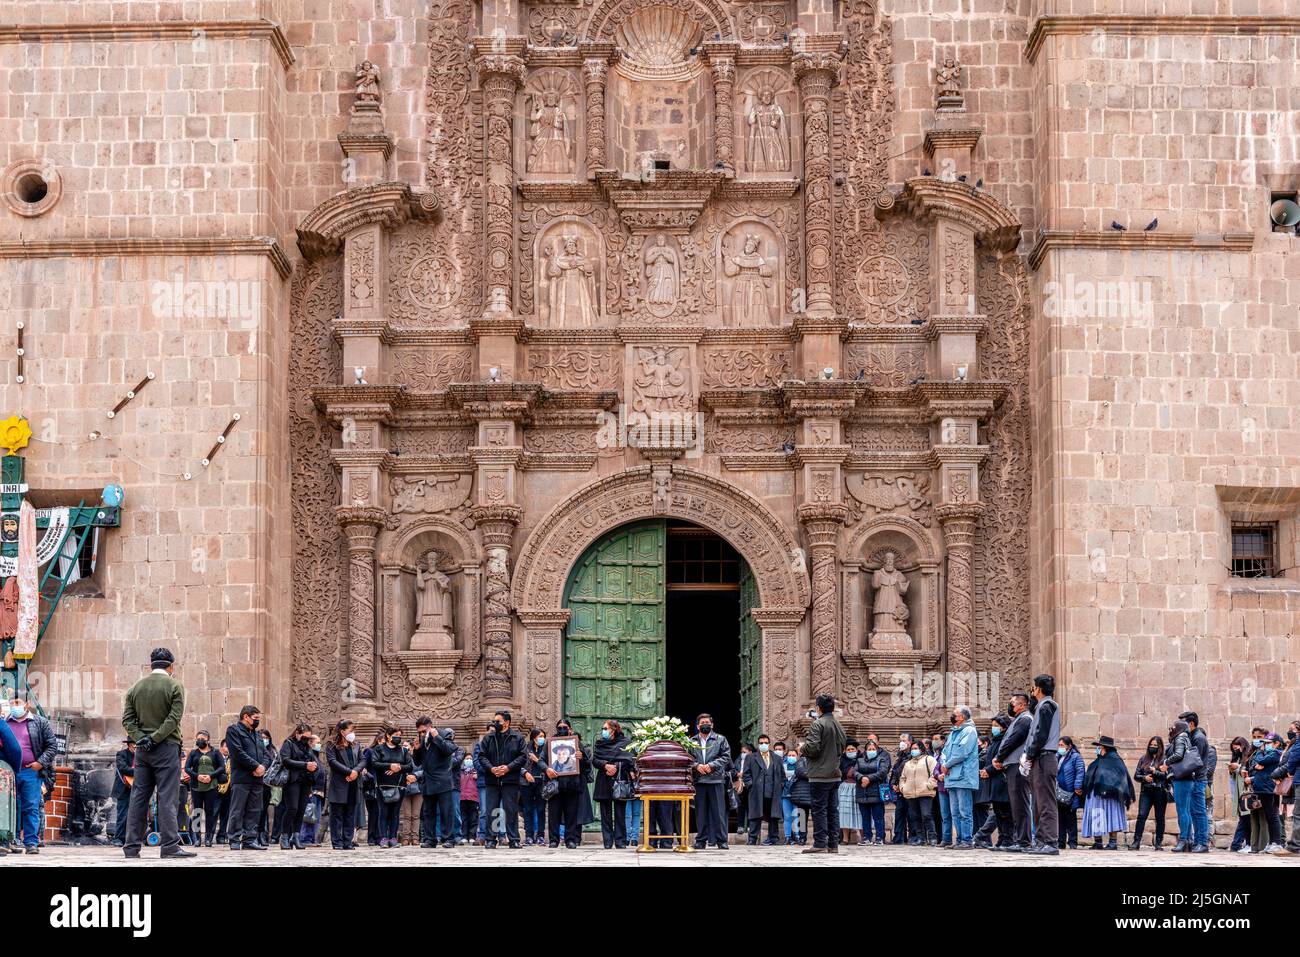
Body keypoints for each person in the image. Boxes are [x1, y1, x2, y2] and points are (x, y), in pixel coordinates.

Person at [120, 647, 192, 859]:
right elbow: (173, 718)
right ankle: (169, 846)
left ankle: (131, 846)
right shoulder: (175, 685)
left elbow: (127, 720)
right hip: (166, 747)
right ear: (171, 666)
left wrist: (142, 738)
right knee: (167, 797)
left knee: (139, 798)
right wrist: (155, 738)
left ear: (151, 665)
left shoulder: (136, 687)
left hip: (142, 750)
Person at [800, 694, 846, 854]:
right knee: (833, 810)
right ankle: (833, 844)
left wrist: (802, 749)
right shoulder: (838, 725)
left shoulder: (818, 724)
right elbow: (842, 749)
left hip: (819, 774)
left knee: (819, 809)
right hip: (835, 773)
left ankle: (819, 843)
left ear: (818, 708)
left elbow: (812, 748)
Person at [1022, 674, 1061, 854]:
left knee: (1046, 802)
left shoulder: (1047, 706)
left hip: (1045, 757)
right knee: (1037, 802)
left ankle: (1050, 841)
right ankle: (1040, 840)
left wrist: (1029, 754)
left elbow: (1040, 734)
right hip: (1040, 758)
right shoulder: (1040, 706)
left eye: (1034, 687)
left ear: (1038, 688)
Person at [478, 710, 526, 849]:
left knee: (511, 810)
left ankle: (513, 839)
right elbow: (482, 756)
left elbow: (523, 757)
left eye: (497, 721)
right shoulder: (489, 738)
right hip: (492, 779)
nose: (495, 723)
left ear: (506, 722)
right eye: (494, 721)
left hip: (510, 779)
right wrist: (492, 768)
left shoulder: (517, 738)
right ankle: (491, 839)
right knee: (492, 810)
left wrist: (508, 768)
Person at [991, 692, 1032, 852]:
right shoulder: (1019, 720)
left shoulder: (1025, 719)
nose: (1010, 705)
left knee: (1020, 805)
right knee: (1016, 805)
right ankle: (1019, 839)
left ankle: (1023, 841)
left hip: (1017, 765)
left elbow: (1013, 740)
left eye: (1012, 703)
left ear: (1021, 705)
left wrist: (999, 757)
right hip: (1012, 765)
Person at [224, 705, 268, 850]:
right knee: (238, 809)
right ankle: (234, 838)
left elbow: (266, 754)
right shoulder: (233, 731)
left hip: (257, 779)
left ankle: (249, 839)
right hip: (242, 777)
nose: (257, 721)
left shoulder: (257, 734)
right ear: (246, 717)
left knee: (254, 810)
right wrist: (255, 766)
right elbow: (237, 752)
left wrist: (263, 767)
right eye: (255, 718)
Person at [1079, 736, 1134, 850]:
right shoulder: (1097, 761)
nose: (1097, 749)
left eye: (1099, 747)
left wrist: (1110, 789)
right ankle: (1098, 842)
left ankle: (1112, 842)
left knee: (1112, 815)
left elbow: (1120, 777)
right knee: (1096, 816)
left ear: (1104, 748)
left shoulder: (1115, 760)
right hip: (1096, 796)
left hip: (1111, 796)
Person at [687, 713, 732, 850]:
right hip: (699, 780)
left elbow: (726, 757)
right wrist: (696, 766)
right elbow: (687, 758)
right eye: (702, 722)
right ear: (697, 726)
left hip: (716, 780)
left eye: (707, 722)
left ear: (712, 725)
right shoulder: (691, 741)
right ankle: (701, 840)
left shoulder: (720, 739)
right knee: (700, 812)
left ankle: (721, 840)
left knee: (718, 812)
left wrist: (711, 765)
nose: (704, 724)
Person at [545, 719, 592, 848]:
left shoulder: (577, 743)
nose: (562, 729)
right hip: (555, 785)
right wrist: (546, 769)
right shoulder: (550, 743)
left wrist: (581, 757)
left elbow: (587, 763)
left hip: (572, 785)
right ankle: (553, 840)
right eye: (559, 727)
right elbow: (542, 760)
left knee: (571, 814)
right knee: (554, 814)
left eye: (564, 727)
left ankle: (570, 840)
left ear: (570, 728)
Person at [368, 722, 415, 848]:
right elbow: (374, 763)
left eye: (400, 735)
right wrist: (389, 766)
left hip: (399, 785)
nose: (398, 737)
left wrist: (398, 767)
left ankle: (393, 838)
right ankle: (383, 838)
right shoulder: (379, 749)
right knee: (383, 812)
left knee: (395, 813)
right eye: (395, 735)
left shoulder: (404, 751)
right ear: (388, 736)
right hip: (382, 786)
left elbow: (410, 766)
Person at [413, 718, 458, 849]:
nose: (421, 734)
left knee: (446, 812)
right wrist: (416, 750)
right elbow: (417, 762)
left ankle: (448, 838)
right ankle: (430, 839)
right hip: (427, 780)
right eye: (419, 732)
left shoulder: (444, 734)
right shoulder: (422, 739)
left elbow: (449, 750)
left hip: (443, 780)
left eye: (423, 731)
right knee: (428, 812)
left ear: (430, 726)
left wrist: (437, 737)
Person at [271, 722, 317, 849]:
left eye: (309, 738)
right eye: (304, 737)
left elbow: (312, 758)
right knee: (292, 808)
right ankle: (284, 836)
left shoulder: (306, 746)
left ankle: (295, 837)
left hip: (305, 781)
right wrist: (305, 765)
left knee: (301, 809)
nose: (306, 740)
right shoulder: (289, 743)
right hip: (292, 781)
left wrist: (314, 765)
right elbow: (285, 760)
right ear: (297, 733)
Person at [940, 706, 978, 849]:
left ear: (962, 717)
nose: (952, 716)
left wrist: (947, 764)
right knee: (954, 812)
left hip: (963, 776)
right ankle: (959, 839)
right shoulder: (952, 733)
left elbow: (962, 752)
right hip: (951, 777)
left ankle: (967, 840)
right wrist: (944, 763)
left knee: (964, 810)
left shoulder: (969, 731)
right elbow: (944, 751)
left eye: (954, 714)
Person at [593, 719, 634, 849]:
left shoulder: (625, 743)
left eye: (605, 729)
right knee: (605, 813)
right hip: (604, 779)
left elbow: (630, 760)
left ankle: (620, 841)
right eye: (603, 729)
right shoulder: (600, 744)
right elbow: (594, 760)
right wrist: (605, 765)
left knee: (620, 813)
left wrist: (615, 766)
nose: (603, 731)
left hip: (619, 779)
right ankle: (608, 841)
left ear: (613, 729)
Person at [325, 719, 364, 850]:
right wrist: (349, 772)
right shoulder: (331, 745)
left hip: (354, 783)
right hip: (339, 783)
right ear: (342, 731)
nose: (353, 733)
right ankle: (337, 842)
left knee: (350, 813)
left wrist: (355, 771)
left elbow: (363, 760)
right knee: (337, 814)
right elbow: (332, 761)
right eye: (351, 730)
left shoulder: (356, 745)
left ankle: (347, 841)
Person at [1163, 719, 1201, 852]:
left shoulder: (1180, 738)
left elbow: (1179, 755)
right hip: (1187, 778)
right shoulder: (1185, 738)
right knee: (1186, 811)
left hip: (1181, 779)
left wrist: (1166, 763)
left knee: (1182, 811)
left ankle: (1183, 839)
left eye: (1172, 727)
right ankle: (1188, 840)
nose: (1171, 730)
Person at [975, 715, 1012, 848]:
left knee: (1005, 812)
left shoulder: (1005, 740)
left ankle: (1007, 839)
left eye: (997, 725)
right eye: (993, 725)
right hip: (993, 780)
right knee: (997, 811)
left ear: (1004, 727)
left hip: (1002, 779)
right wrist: (986, 770)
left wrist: (988, 770)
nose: (994, 728)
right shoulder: (995, 740)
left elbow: (1000, 759)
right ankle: (1001, 839)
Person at [184, 730, 225, 847]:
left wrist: (210, 776)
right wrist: (197, 776)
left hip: (211, 786)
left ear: (208, 739)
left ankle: (208, 838)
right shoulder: (193, 753)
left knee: (210, 812)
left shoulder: (215, 752)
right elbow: (187, 768)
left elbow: (222, 767)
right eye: (198, 738)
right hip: (196, 786)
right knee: (197, 811)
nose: (199, 740)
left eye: (202, 738)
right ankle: (197, 838)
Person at [1178, 710, 1211, 851]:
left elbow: (1193, 760)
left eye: (1183, 723)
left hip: (1198, 779)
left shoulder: (1198, 737)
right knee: (1193, 811)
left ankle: (1202, 843)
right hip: (1193, 779)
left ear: (1191, 723)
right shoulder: (1191, 736)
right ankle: (1196, 841)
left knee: (1199, 811)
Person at [1130, 735, 1171, 850]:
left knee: (1159, 817)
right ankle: (1136, 841)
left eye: (1155, 745)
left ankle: (1158, 843)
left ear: (1160, 747)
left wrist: (1156, 772)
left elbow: (1167, 776)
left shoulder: (1164, 759)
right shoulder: (1144, 759)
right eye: (1151, 745)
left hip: (1160, 791)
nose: (1152, 747)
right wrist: (1144, 778)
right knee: (1141, 815)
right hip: (1146, 791)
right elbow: (1136, 776)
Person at [742, 733, 783, 845]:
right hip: (757, 791)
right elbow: (746, 774)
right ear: (758, 744)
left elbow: (782, 775)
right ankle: (753, 838)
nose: (763, 745)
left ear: (769, 744)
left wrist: (780, 786)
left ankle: (773, 837)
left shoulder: (777, 758)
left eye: (765, 743)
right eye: (761, 743)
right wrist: (751, 785)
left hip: (773, 791)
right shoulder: (751, 757)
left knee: (773, 815)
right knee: (755, 815)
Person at [1248, 732, 1285, 852]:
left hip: (1268, 788)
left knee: (1273, 816)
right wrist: (1256, 764)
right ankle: (1272, 842)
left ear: (1277, 743)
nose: (1265, 745)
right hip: (1262, 788)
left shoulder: (1276, 753)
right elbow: (1254, 763)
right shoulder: (1267, 753)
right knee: (1269, 817)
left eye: (1268, 743)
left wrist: (1260, 754)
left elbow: (1261, 760)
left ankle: (1277, 842)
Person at [899, 738, 938, 845]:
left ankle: (932, 837)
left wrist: (929, 785)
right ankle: (920, 838)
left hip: (925, 792)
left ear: (921, 749)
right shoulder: (908, 763)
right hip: (910, 793)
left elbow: (935, 774)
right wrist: (903, 788)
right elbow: (903, 778)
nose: (913, 750)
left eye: (915, 748)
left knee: (927, 815)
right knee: (914, 817)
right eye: (912, 749)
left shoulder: (929, 759)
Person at [855, 735, 891, 845]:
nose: (871, 751)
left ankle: (880, 837)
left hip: (876, 792)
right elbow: (855, 772)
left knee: (878, 817)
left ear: (876, 750)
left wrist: (868, 778)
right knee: (865, 818)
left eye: (873, 749)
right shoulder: (859, 760)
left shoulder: (881, 760)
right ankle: (866, 837)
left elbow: (882, 772)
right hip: (862, 792)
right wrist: (862, 778)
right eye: (869, 749)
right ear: (865, 751)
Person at [1055, 736, 1085, 849]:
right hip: (1059, 791)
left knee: (1070, 817)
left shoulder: (1075, 757)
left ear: (1069, 746)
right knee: (1060, 818)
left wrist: (1077, 786)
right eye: (1059, 745)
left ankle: (1072, 842)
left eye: (1062, 745)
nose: (1060, 747)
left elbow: (1080, 771)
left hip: (1070, 792)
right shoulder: (1057, 756)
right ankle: (1060, 841)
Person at [298, 734, 327, 846]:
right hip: (312, 791)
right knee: (309, 816)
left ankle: (311, 838)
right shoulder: (309, 755)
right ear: (310, 743)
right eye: (317, 742)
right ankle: (305, 838)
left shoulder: (316, 756)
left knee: (316, 817)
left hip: (319, 792)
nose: (319, 745)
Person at [520, 727, 547, 846]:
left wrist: (537, 760)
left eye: (543, 736)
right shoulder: (525, 748)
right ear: (533, 737)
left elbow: (550, 765)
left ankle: (540, 835)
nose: (542, 739)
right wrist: (525, 773)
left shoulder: (546, 749)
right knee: (527, 809)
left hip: (542, 782)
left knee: (541, 809)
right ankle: (529, 835)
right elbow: (518, 763)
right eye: (540, 736)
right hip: (527, 782)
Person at [780, 743, 807, 845]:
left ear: (797, 756)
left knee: (797, 816)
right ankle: (787, 837)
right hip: (785, 794)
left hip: (797, 794)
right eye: (789, 755)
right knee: (787, 816)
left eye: (793, 755)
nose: (791, 757)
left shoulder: (801, 765)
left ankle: (797, 835)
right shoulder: (782, 766)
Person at [889, 733, 914, 845]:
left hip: (910, 788)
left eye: (904, 740)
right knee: (899, 814)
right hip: (899, 790)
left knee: (911, 815)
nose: (902, 742)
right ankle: (899, 837)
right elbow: (895, 771)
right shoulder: (900, 756)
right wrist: (894, 784)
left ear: (910, 742)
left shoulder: (913, 755)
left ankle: (913, 837)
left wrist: (903, 785)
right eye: (900, 740)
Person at [110, 737, 135, 846]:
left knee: (134, 815)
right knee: (122, 814)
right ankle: (119, 838)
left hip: (136, 788)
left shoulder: (140, 756)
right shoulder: (121, 754)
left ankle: (131, 838)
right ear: (129, 744)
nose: (136, 747)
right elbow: (123, 768)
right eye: (134, 744)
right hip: (123, 788)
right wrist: (139, 771)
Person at [458, 753, 479, 844]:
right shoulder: (460, 771)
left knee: (473, 818)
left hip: (474, 797)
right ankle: (464, 835)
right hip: (462, 797)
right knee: (463, 818)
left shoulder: (476, 771)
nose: (469, 760)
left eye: (470, 758)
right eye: (467, 758)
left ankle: (472, 835)